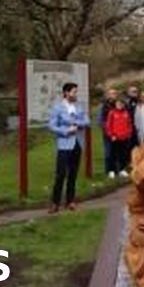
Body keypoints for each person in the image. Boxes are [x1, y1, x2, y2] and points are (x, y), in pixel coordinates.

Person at [49, 83, 91, 212]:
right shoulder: (58, 108)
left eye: (76, 92)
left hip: (77, 143)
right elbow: (52, 126)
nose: (75, 95)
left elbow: (87, 121)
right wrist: (66, 130)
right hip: (64, 145)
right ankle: (55, 202)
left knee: (73, 174)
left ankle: (70, 200)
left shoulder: (79, 107)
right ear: (66, 93)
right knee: (60, 174)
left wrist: (75, 123)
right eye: (74, 92)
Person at [106, 98, 134, 178]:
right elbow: (108, 125)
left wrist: (129, 134)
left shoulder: (126, 113)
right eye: (118, 104)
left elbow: (129, 124)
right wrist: (111, 135)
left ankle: (122, 170)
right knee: (113, 155)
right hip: (115, 137)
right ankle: (112, 170)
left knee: (123, 155)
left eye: (121, 104)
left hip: (124, 137)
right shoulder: (112, 113)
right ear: (115, 105)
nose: (120, 105)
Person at [97, 88, 120, 176]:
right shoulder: (103, 106)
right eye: (111, 93)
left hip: (118, 133)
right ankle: (109, 170)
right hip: (108, 133)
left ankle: (117, 170)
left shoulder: (118, 104)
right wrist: (107, 130)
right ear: (107, 95)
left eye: (115, 93)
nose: (113, 95)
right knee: (108, 152)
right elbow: (100, 120)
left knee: (118, 152)